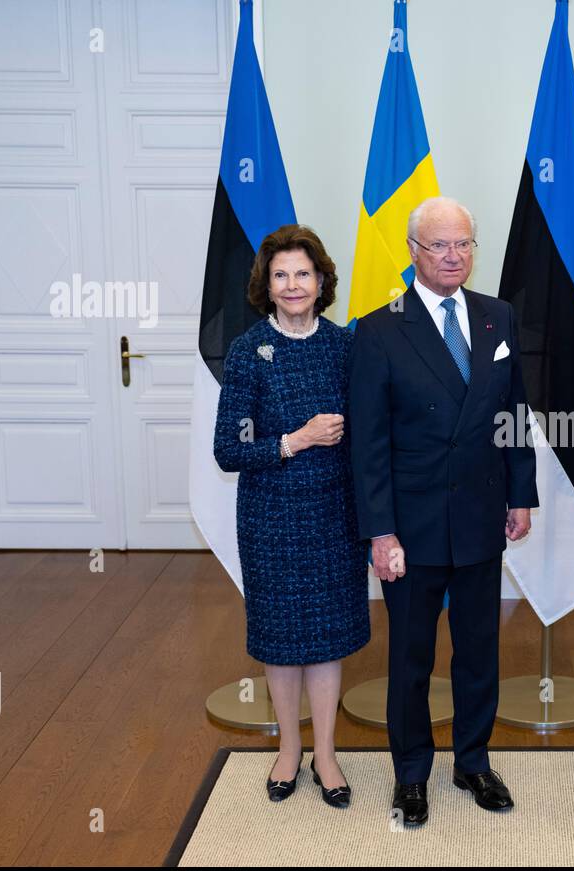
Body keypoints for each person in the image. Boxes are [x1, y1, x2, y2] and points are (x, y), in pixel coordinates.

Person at [348, 196, 538, 827]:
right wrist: (380, 530)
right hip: (412, 526)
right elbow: (368, 444)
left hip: (483, 516)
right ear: (413, 252)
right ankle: (411, 773)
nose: (454, 256)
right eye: (440, 245)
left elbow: (514, 415)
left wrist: (521, 494)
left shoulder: (497, 316)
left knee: (480, 650)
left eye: (463, 244)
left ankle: (474, 761)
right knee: (411, 657)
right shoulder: (378, 330)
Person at [213, 224, 369, 808]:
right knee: (280, 640)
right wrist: (294, 440)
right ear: (267, 285)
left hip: (334, 515)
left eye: (303, 273)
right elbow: (229, 447)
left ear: (322, 280)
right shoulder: (247, 352)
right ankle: (288, 748)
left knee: (326, 640)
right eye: (281, 274)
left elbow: (366, 431)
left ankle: (325, 752)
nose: (293, 283)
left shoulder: (344, 346)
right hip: (271, 518)